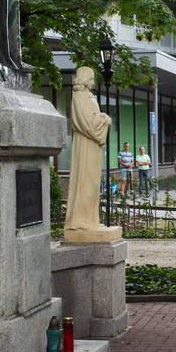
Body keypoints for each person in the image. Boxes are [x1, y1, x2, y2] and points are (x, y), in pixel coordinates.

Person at [63, 67, 115, 240]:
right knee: (84, 180)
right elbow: (86, 123)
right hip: (85, 144)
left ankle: (91, 219)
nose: (93, 82)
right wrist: (104, 119)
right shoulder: (78, 97)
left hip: (93, 145)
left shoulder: (89, 96)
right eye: (91, 79)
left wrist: (101, 118)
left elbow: (92, 118)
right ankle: (79, 220)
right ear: (85, 79)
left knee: (92, 182)